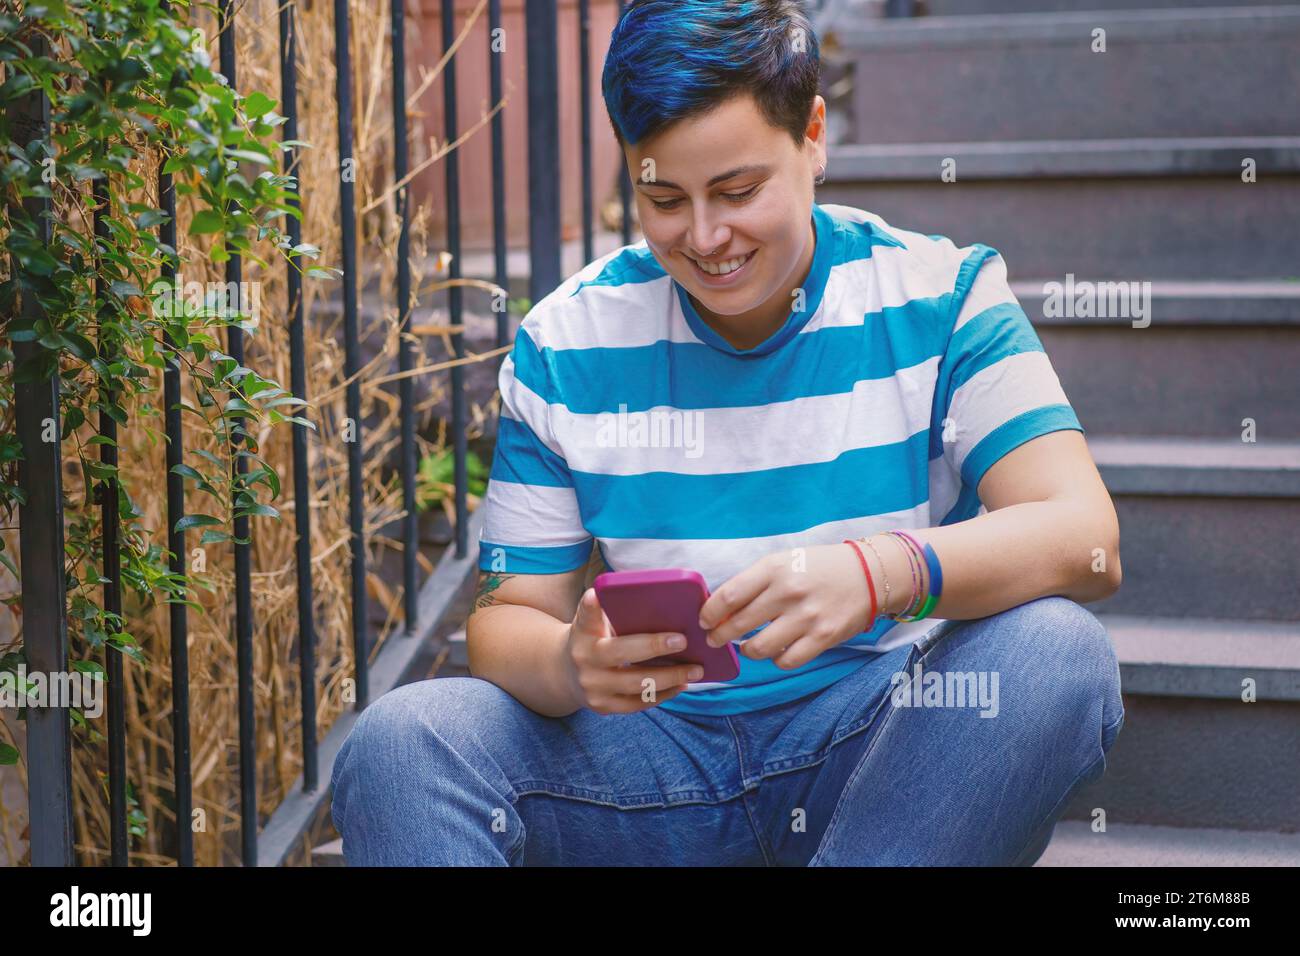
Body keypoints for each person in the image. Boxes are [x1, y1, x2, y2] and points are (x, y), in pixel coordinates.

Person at [330, 0, 1125, 866]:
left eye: (739, 191)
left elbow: (1085, 537)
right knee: (402, 742)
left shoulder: (942, 296)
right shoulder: (567, 342)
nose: (706, 239)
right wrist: (569, 662)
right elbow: (505, 621)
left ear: (813, 135)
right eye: (662, 197)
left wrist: (879, 574)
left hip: (880, 761)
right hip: (643, 768)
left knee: (1055, 654)